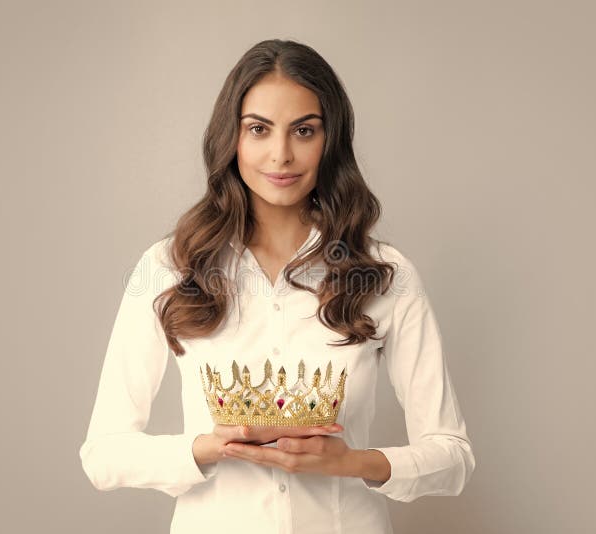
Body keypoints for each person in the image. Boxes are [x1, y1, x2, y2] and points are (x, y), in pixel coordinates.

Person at [78, 38, 475, 534]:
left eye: (304, 131)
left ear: (330, 140)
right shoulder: (169, 267)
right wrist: (206, 449)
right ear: (231, 137)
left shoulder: (384, 274)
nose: (281, 155)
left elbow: (453, 457)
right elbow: (103, 454)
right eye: (259, 129)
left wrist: (350, 462)